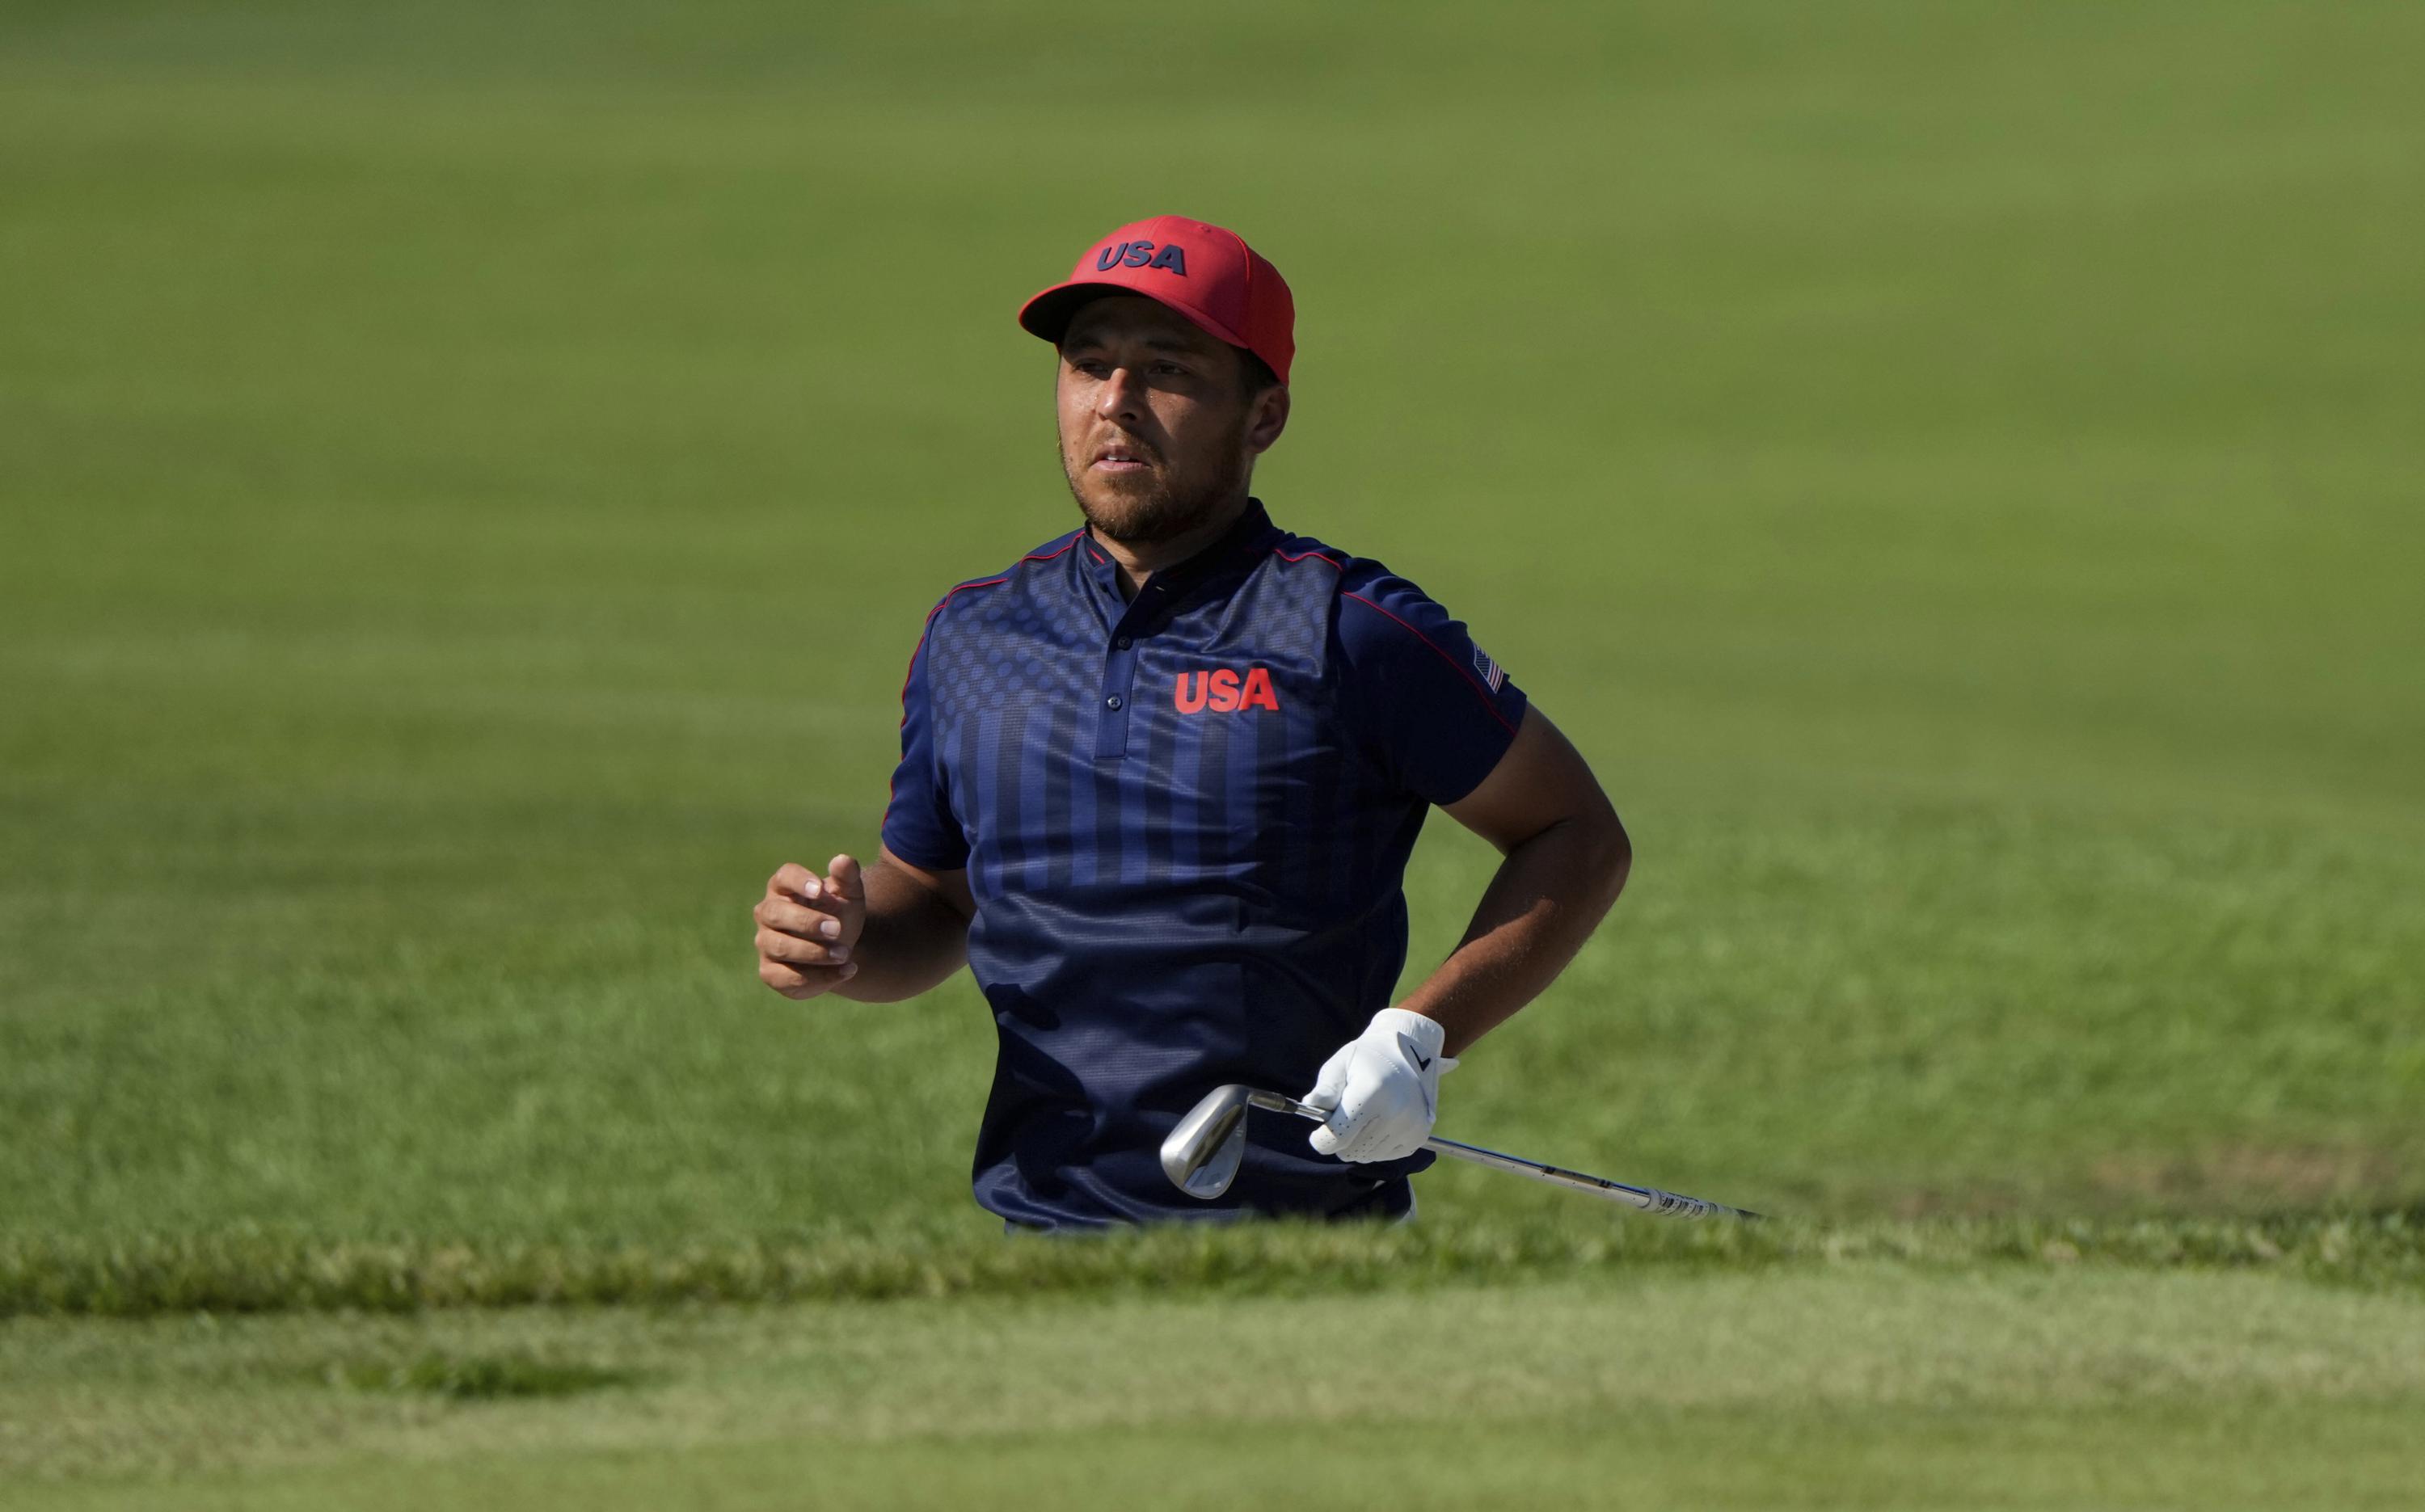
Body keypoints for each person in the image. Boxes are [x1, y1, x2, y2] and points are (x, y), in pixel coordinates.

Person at [753, 214, 1630, 1231]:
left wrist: (1420, 1036)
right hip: (1037, 1238)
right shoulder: (973, 634)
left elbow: (1576, 834)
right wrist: (847, 942)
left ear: (1265, 417)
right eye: (1089, 365)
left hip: (1307, 1250)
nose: (1115, 403)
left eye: (1165, 370)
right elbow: (938, 901)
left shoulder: (1353, 629)